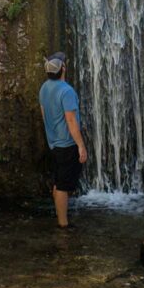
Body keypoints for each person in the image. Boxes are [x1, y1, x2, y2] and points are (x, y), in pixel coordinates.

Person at [39, 51, 87, 228]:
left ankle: (61, 218)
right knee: (62, 186)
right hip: (67, 144)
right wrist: (81, 145)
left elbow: (44, 115)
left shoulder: (44, 88)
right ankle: (63, 224)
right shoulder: (66, 91)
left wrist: (51, 136)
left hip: (54, 143)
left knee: (59, 182)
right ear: (63, 69)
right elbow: (71, 120)